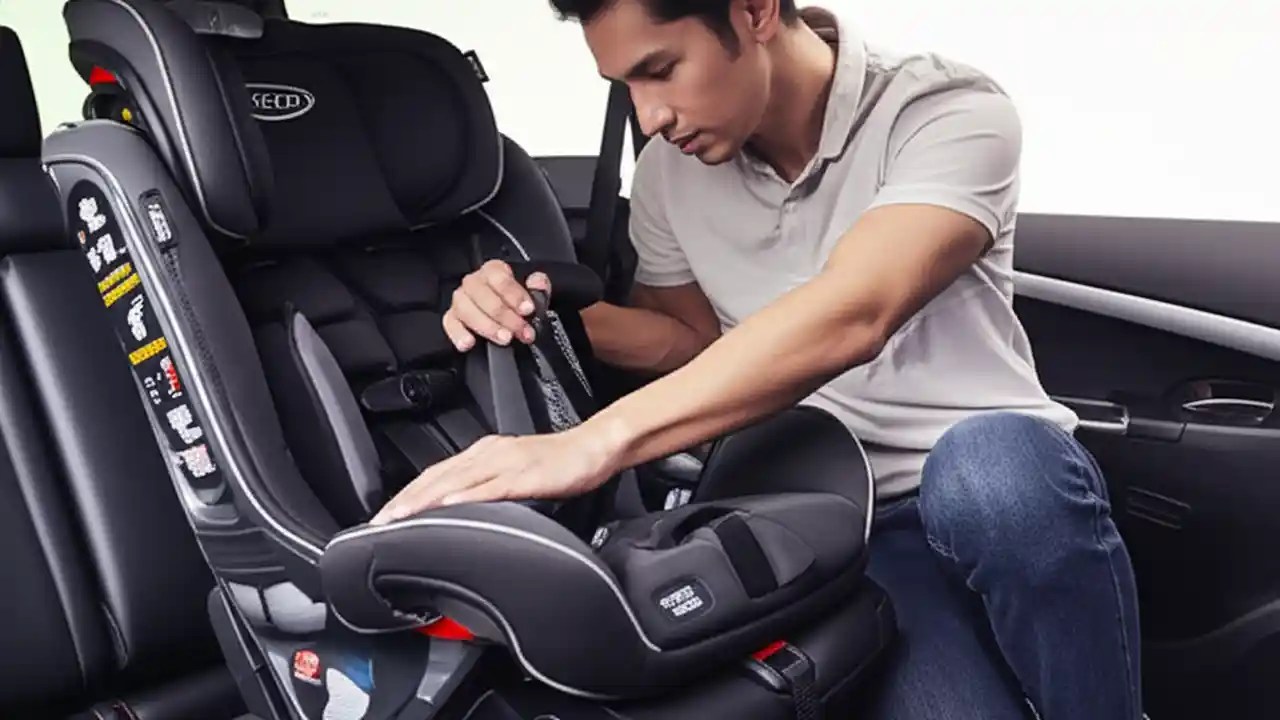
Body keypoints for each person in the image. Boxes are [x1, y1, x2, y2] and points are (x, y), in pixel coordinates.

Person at [371, 1, 1143, 718]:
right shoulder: (674, 172)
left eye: (660, 70)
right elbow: (686, 339)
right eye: (623, 86)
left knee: (989, 468)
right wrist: (529, 312)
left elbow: (858, 310)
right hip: (848, 523)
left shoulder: (946, 112)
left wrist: (589, 446)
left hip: (1002, 496)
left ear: (755, 10)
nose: (649, 117)